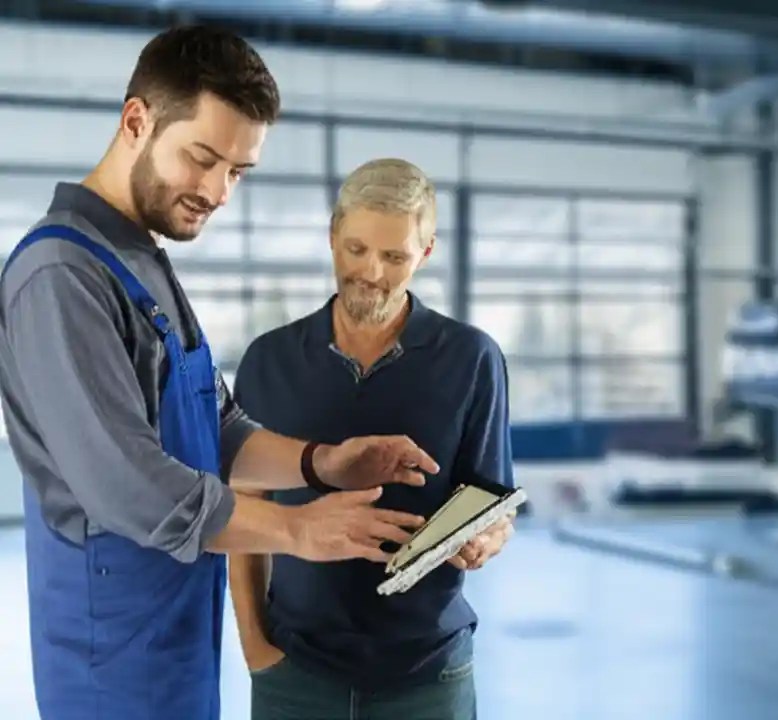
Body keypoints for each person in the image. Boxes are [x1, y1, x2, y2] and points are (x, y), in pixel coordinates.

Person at [0, 26, 446, 720]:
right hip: (110, 656)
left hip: (173, 635)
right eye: (202, 158)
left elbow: (214, 423)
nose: (217, 192)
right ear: (136, 121)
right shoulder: (61, 277)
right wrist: (300, 531)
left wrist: (323, 463)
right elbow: (130, 489)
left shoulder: (141, 262)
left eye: (237, 171)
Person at [229, 158, 514, 720]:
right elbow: (243, 513)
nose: (372, 272)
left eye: (395, 257)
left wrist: (486, 540)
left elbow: (492, 506)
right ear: (332, 235)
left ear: (425, 253)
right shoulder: (269, 360)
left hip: (429, 673)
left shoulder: (472, 359)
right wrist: (256, 650)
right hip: (296, 670)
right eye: (356, 249)